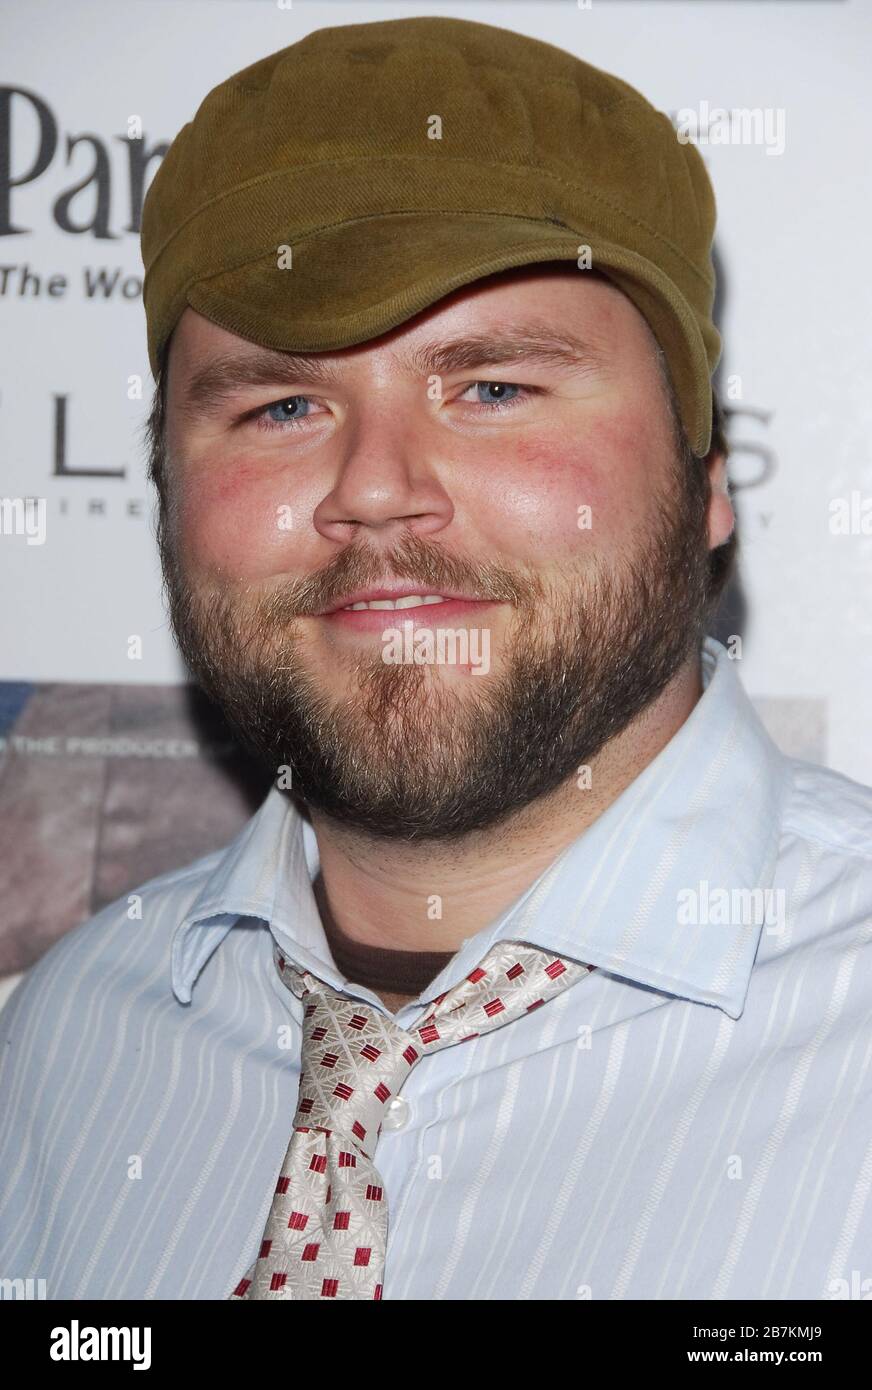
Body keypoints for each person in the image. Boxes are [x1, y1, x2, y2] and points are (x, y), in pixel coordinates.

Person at [1, 15, 870, 1302]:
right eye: (282, 406)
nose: (375, 491)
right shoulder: (68, 1039)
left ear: (704, 484)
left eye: (493, 388)